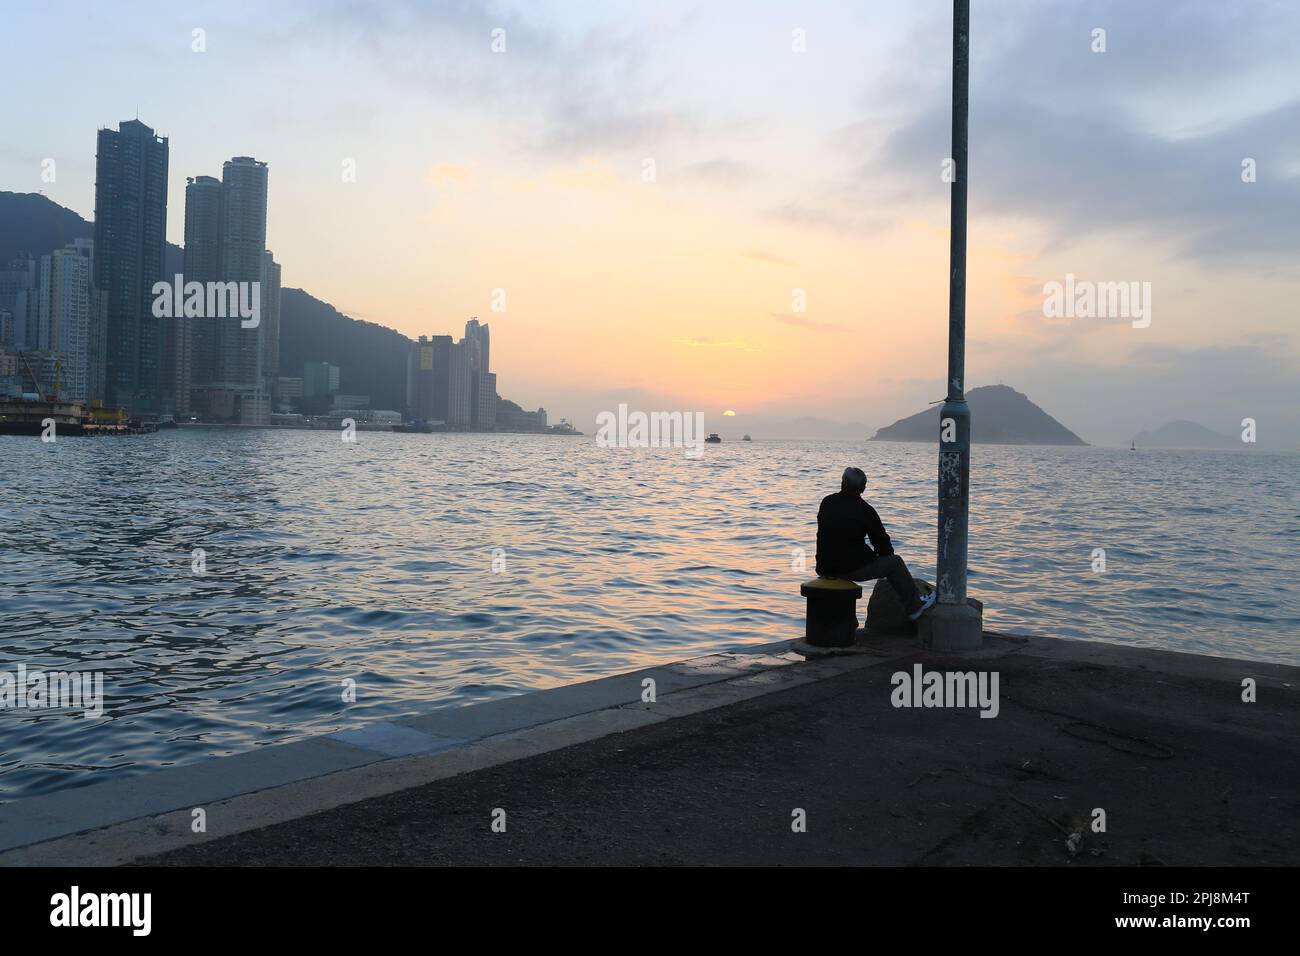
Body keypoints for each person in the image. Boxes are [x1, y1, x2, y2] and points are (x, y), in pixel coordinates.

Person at [815, 466, 935, 621]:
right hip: (849, 569)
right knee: (895, 563)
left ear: (842, 483)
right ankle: (914, 608)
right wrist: (881, 557)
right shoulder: (865, 510)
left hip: (825, 566)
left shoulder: (827, 502)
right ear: (863, 488)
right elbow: (882, 544)